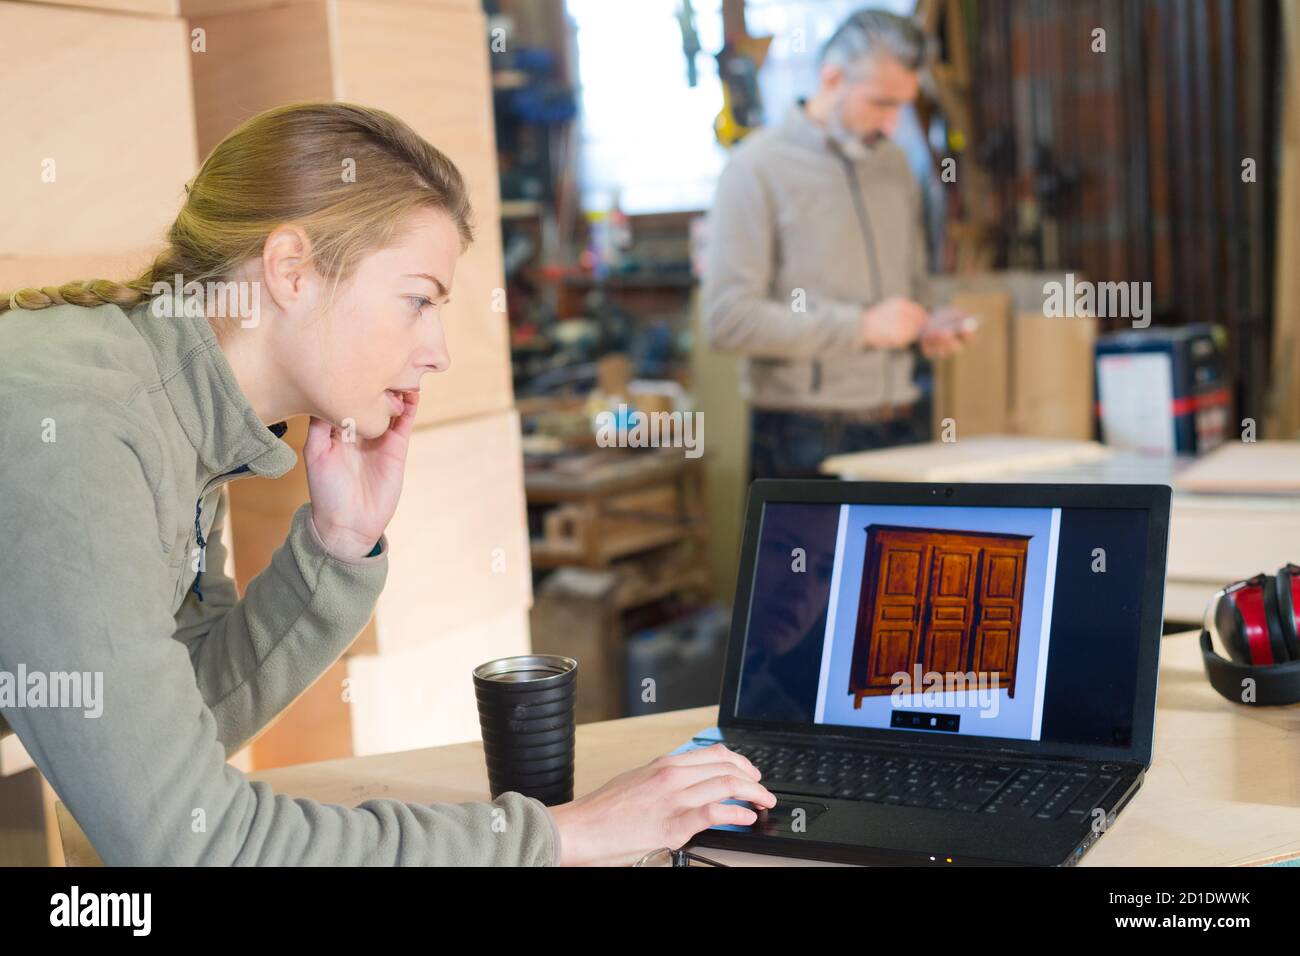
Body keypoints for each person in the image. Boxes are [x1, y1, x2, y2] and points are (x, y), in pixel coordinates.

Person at [0, 101, 774, 866]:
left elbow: (182, 716)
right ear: (291, 270)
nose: (436, 351)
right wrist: (564, 835)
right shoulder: (87, 430)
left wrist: (336, 550)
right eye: (417, 300)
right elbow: (189, 840)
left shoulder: (177, 408)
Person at [701, 8, 977, 482]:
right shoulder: (756, 170)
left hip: (903, 425)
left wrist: (927, 322)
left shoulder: (893, 165)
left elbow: (912, 287)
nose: (892, 124)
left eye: (902, 106)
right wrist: (861, 328)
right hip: (803, 436)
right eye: (880, 103)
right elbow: (728, 319)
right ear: (832, 78)